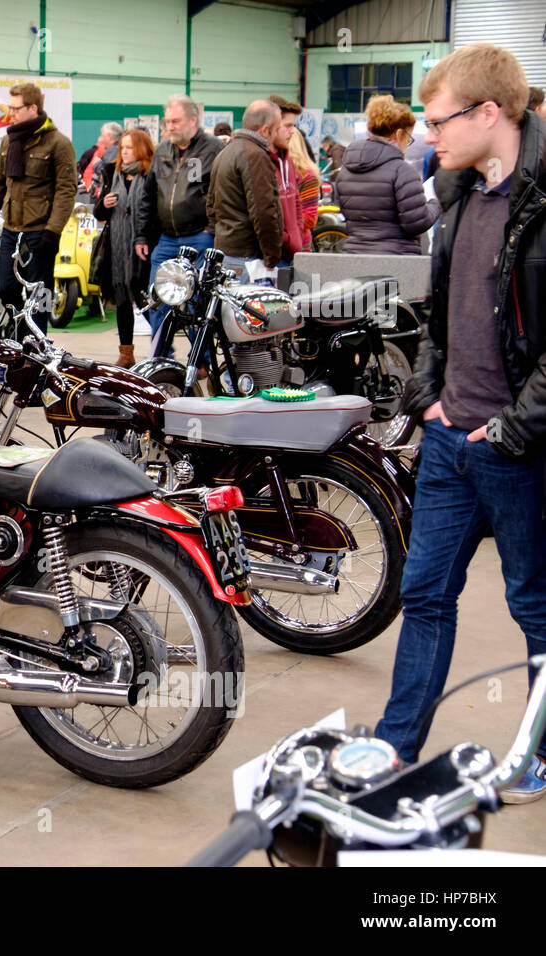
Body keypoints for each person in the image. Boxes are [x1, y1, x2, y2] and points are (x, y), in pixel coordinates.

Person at [373, 43, 546, 803]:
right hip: (450, 439)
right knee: (425, 592)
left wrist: (511, 428)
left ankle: (542, 749)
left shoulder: (541, 204)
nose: (426, 137)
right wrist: (429, 392)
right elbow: (441, 315)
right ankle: (393, 747)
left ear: (488, 113)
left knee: (534, 603)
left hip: (518, 448)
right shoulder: (457, 197)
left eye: (438, 122)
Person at [133, 94, 223, 346]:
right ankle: (160, 357)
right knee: (157, 298)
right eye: (167, 122)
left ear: (193, 120)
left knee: (196, 302)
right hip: (166, 239)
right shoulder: (162, 150)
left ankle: (202, 361)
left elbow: (223, 194)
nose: (169, 126)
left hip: (200, 236)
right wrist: (141, 234)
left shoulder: (213, 149)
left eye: (175, 121)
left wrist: (211, 230)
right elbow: (148, 196)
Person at [0, 81, 77, 331]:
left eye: (16, 108)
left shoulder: (58, 143)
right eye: (11, 107)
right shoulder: (9, 141)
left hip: (41, 230)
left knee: (41, 292)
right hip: (11, 228)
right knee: (6, 288)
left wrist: (53, 231)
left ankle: (36, 344)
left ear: (33, 108)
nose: (11, 113)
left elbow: (66, 190)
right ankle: (18, 332)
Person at [336, 94, 440, 256]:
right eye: (408, 138)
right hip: (396, 259)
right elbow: (416, 223)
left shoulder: (347, 170)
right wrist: (435, 203)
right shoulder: (402, 171)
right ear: (399, 135)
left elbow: (344, 211)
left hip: (354, 257)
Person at [90, 128, 154, 368]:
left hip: (144, 247)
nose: (124, 152)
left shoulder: (150, 174)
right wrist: (103, 204)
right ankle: (126, 354)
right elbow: (98, 211)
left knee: (147, 300)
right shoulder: (111, 172)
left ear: (141, 149)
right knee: (122, 300)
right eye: (122, 148)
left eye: (129, 148)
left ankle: (161, 347)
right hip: (117, 247)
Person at [207, 100, 284, 281]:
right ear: (265, 130)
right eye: (278, 128)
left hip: (227, 252)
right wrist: (272, 256)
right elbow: (263, 211)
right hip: (249, 258)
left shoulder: (225, 152)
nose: (278, 133)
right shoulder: (255, 156)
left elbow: (210, 206)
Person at [268, 94, 306, 265]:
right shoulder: (261, 161)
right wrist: (287, 239)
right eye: (288, 126)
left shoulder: (287, 159)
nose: (293, 131)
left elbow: (296, 201)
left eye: (294, 126)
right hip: (271, 255)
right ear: (272, 125)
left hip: (291, 253)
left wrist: (296, 234)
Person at [285, 128, 321, 252]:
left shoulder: (306, 176)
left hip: (297, 247)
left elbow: (310, 218)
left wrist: (281, 222)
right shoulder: (275, 170)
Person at [78, 122, 122, 193]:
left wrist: (96, 164)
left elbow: (104, 169)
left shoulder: (113, 151)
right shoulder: (116, 148)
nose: (102, 138)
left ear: (109, 136)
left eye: (103, 135)